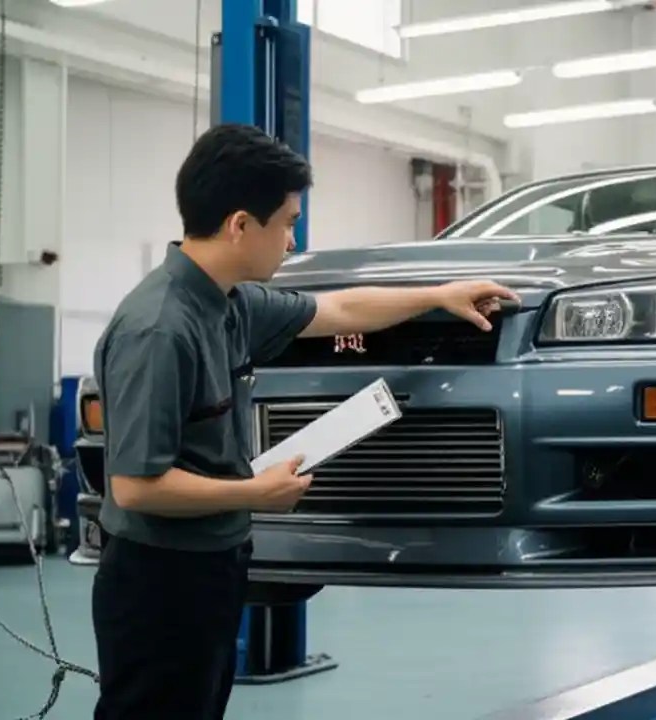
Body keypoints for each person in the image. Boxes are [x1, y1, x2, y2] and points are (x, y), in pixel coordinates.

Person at [90, 123, 519, 719]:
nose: (292, 242)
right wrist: (255, 493)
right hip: (160, 579)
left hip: (210, 565)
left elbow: (340, 308)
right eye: (287, 223)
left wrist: (439, 294)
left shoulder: (229, 303)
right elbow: (137, 486)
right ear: (241, 225)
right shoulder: (161, 329)